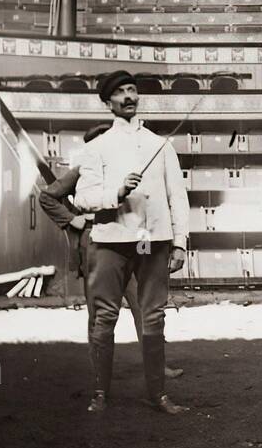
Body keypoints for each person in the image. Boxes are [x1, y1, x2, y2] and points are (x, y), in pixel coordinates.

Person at [74, 71, 190, 415]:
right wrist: (117, 192)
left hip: (154, 241)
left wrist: (180, 242)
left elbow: (177, 197)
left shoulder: (161, 145)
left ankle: (158, 396)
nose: (128, 97)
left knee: (154, 316)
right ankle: (100, 394)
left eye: (132, 91)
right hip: (111, 240)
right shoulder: (95, 148)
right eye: (120, 92)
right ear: (107, 102)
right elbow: (82, 198)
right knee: (105, 317)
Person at [38, 123, 183, 381]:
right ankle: (99, 377)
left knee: (143, 305)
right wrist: (73, 220)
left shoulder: (124, 173)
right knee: (100, 314)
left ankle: (158, 367)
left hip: (127, 242)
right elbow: (48, 197)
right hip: (95, 244)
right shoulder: (82, 170)